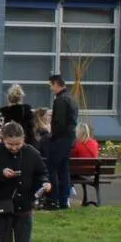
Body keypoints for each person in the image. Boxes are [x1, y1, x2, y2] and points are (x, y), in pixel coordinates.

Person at [46, 74, 80, 209]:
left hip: (61, 139)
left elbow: (59, 122)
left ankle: (53, 199)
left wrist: (53, 136)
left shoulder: (60, 100)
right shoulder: (71, 99)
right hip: (69, 139)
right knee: (64, 169)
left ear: (56, 84)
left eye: (51, 86)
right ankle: (64, 199)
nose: (51, 89)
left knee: (52, 168)